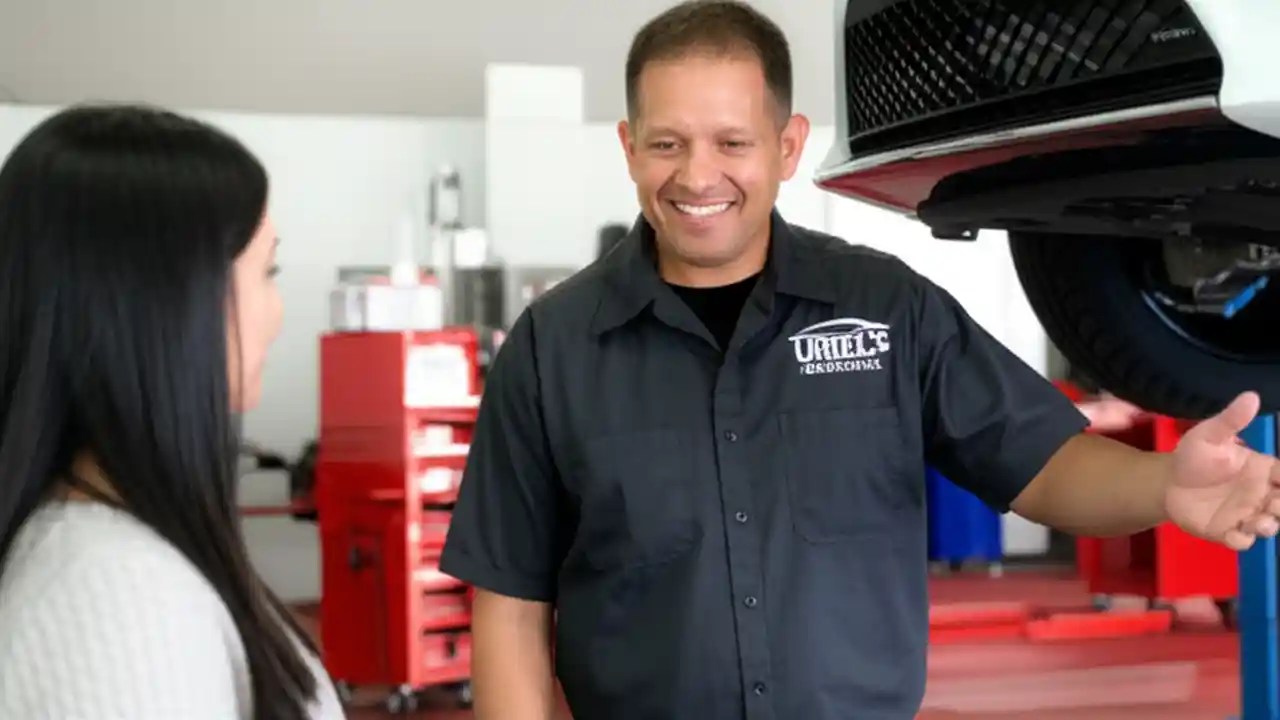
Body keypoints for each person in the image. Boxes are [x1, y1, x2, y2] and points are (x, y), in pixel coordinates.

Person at [440, 2, 1280, 719]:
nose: (698, 176)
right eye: (667, 144)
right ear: (628, 147)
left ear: (788, 146)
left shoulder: (885, 307)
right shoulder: (552, 347)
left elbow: (1042, 463)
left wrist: (1164, 486)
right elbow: (510, 602)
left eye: (732, 142)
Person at [0, 105, 344, 720]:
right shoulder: (115, 596)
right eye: (267, 271)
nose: (278, 310)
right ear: (170, 304)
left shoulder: (114, 557)